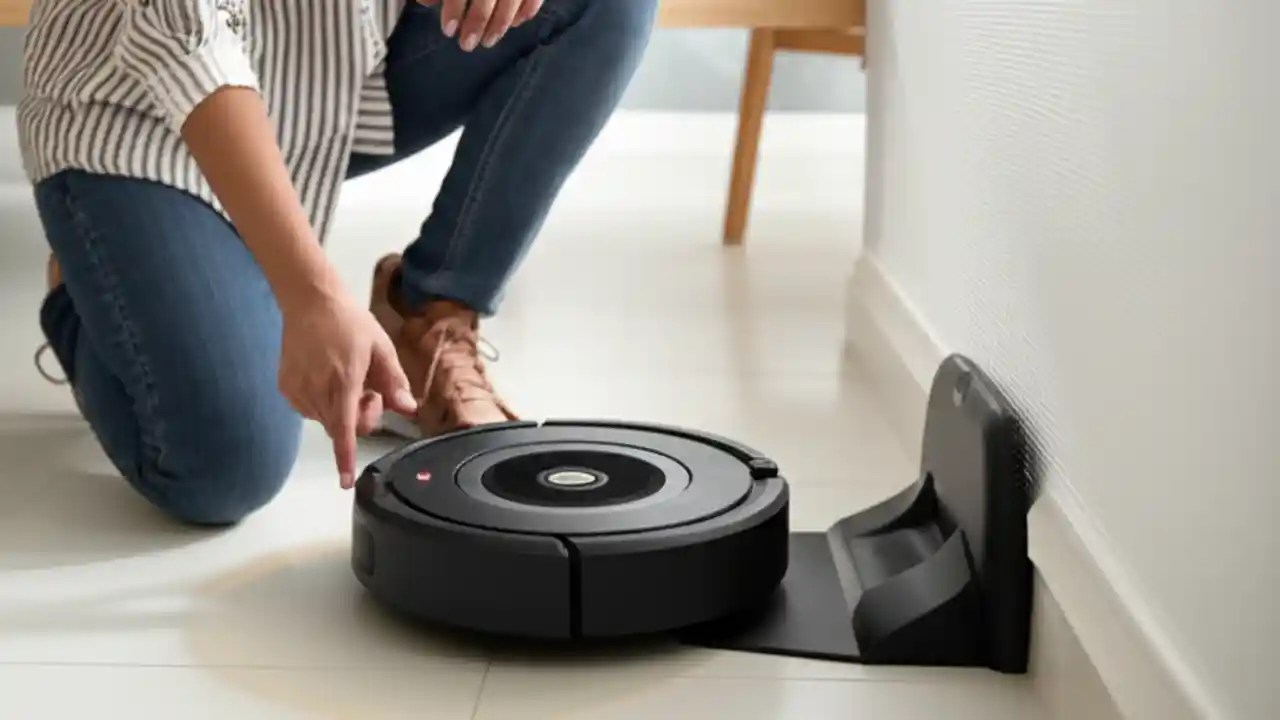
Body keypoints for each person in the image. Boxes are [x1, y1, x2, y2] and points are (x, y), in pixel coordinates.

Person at [20, 0, 657, 525]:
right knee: (225, 470)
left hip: (319, 83)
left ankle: (428, 317)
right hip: (129, 114)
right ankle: (87, 287)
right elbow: (182, 34)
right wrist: (312, 296)